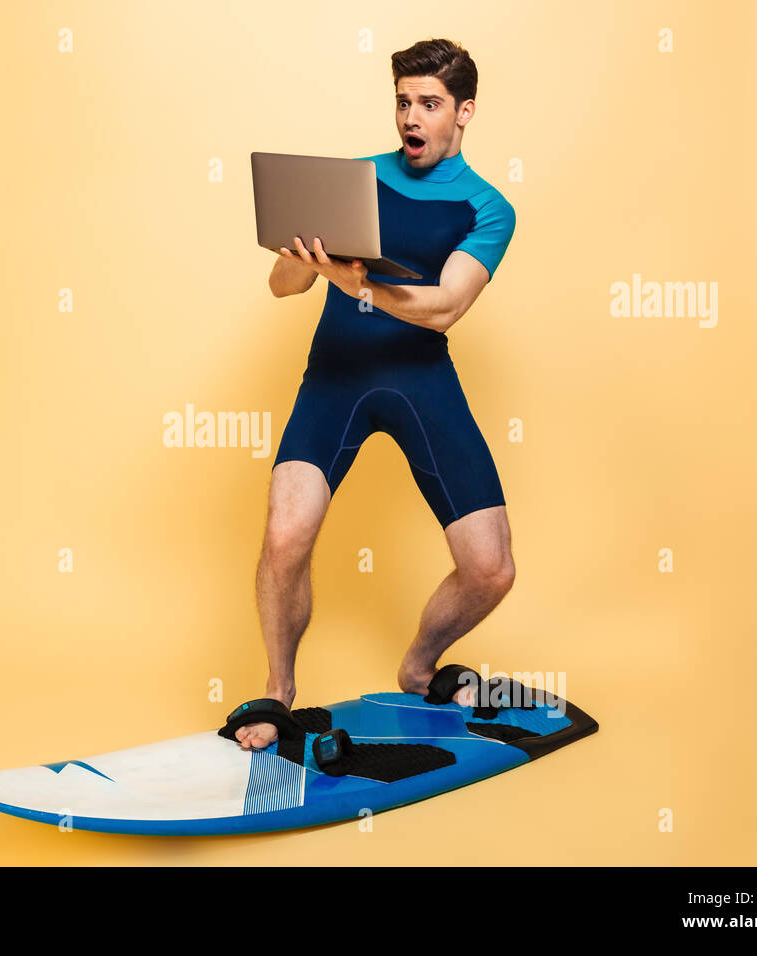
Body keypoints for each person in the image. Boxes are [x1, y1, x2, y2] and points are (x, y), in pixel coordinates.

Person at [237, 38, 518, 750]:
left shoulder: (489, 208)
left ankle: (420, 668)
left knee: (491, 569)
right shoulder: (352, 180)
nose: (411, 118)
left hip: (420, 377)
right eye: (403, 101)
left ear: (465, 112)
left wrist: (357, 282)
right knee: (283, 536)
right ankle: (278, 694)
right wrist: (306, 265)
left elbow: (446, 306)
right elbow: (281, 286)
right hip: (336, 371)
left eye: (429, 104)